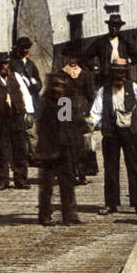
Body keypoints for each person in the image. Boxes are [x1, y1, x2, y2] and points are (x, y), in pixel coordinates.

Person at [89, 57, 137, 216]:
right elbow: (95, 112)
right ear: (111, 73)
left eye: (121, 73)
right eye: (116, 73)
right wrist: (89, 127)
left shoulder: (134, 88)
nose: (119, 76)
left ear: (125, 74)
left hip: (130, 132)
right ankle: (111, 203)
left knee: (134, 167)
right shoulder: (103, 90)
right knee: (110, 168)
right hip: (111, 132)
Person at [33, 73, 86, 226]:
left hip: (64, 149)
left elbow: (67, 125)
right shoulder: (46, 103)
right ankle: (45, 215)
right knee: (47, 185)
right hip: (49, 149)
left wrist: (74, 146)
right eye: (55, 85)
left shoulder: (65, 102)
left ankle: (69, 215)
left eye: (61, 86)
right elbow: (44, 129)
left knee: (67, 182)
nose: (58, 89)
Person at [0, 51, 34, 189]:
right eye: (1, 65)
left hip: (16, 116)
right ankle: (2, 181)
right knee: (1, 150)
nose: (4, 67)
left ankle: (21, 180)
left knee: (20, 149)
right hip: (0, 119)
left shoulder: (16, 76)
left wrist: (29, 111)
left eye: (6, 63)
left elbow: (26, 94)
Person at [59, 48, 96, 184]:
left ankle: (83, 173)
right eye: (69, 57)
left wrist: (90, 113)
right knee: (69, 143)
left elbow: (90, 94)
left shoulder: (85, 74)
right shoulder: (62, 73)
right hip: (66, 108)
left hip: (82, 109)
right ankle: (71, 173)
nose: (72, 60)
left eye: (74, 58)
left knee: (83, 143)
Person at [87, 12, 137, 87]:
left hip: (123, 77)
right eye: (112, 26)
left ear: (120, 28)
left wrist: (128, 61)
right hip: (106, 77)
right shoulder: (101, 42)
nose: (114, 29)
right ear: (108, 26)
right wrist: (94, 67)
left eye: (117, 27)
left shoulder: (124, 41)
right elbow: (85, 56)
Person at [12, 36, 43, 103]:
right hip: (20, 98)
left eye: (27, 47)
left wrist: (35, 83)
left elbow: (39, 81)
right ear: (18, 49)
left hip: (33, 97)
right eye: (23, 48)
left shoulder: (31, 64)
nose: (26, 50)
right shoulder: (13, 64)